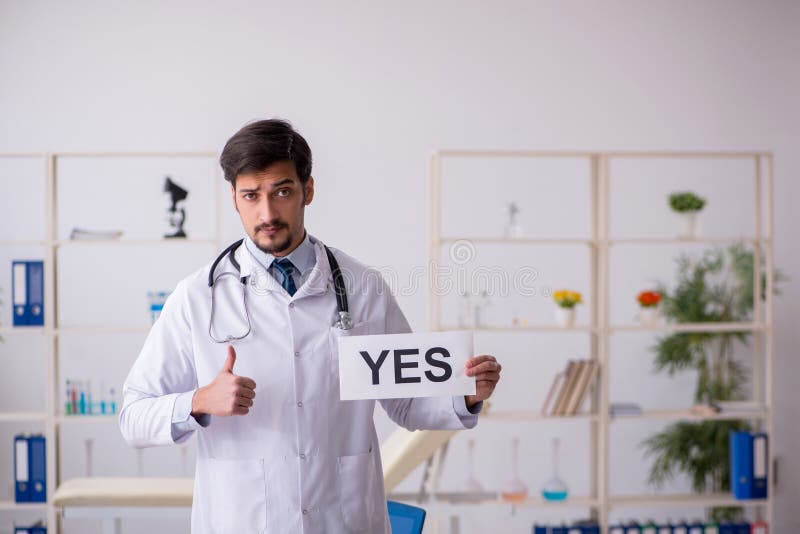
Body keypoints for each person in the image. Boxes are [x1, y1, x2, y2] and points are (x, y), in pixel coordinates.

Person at [119, 119, 502, 533]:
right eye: (251, 196)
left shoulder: (363, 288)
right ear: (234, 199)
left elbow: (406, 404)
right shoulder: (197, 297)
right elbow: (133, 417)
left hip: (345, 519)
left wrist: (464, 397)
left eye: (282, 191)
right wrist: (197, 401)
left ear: (308, 190)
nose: (267, 213)